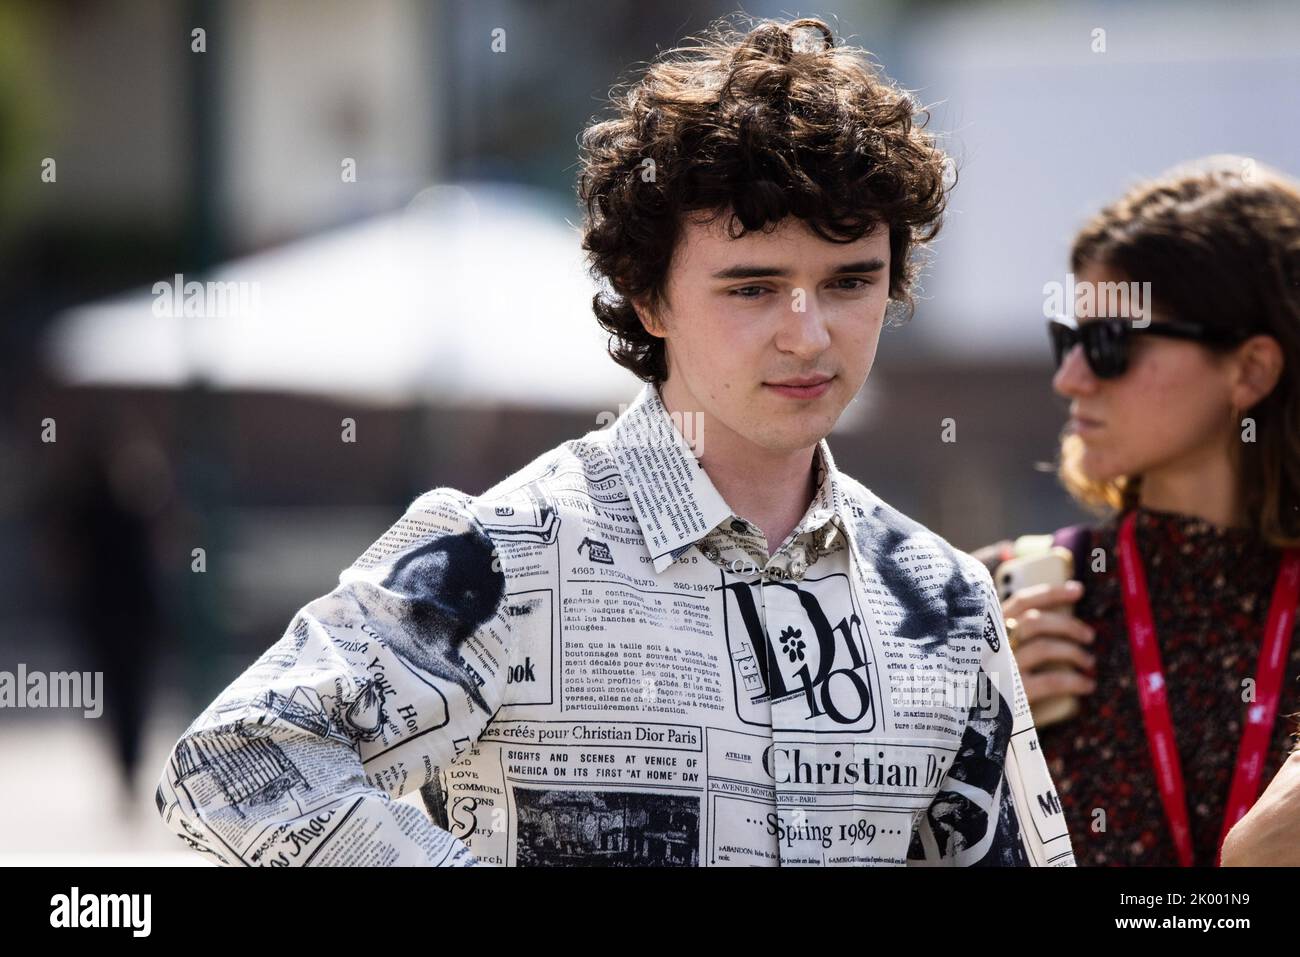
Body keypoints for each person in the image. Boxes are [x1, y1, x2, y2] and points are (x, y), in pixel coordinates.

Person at [154, 15, 1074, 867]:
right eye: (752, 288)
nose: (808, 332)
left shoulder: (946, 597)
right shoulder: (507, 550)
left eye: (848, 282)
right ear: (648, 295)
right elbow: (231, 769)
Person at [980, 157, 1300, 866]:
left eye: (1110, 344)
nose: (1070, 377)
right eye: (1069, 339)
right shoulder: (1002, 599)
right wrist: (967, 739)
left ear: (1250, 369)